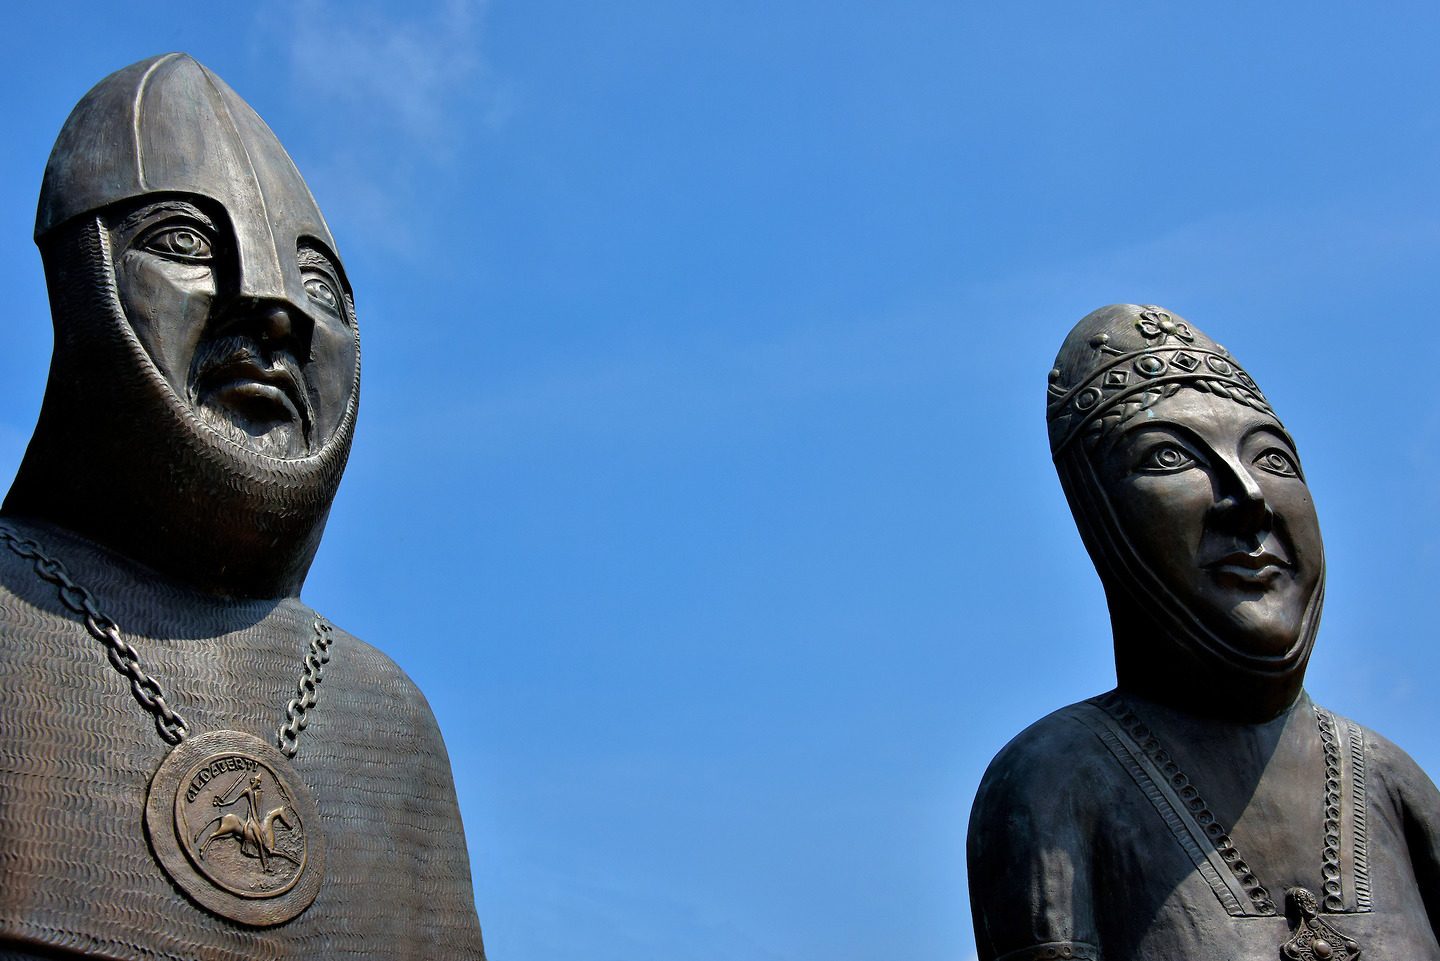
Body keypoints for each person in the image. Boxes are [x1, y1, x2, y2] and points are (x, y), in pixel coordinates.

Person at [0, 54, 485, 958]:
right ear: (80, 276)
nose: (273, 308)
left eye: (320, 289)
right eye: (184, 243)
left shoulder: (389, 721)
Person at [967, 304, 1440, 961]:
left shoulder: (1394, 784)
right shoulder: (1056, 779)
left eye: (1272, 457)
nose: (1248, 496)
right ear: (1101, 519)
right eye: (1169, 456)